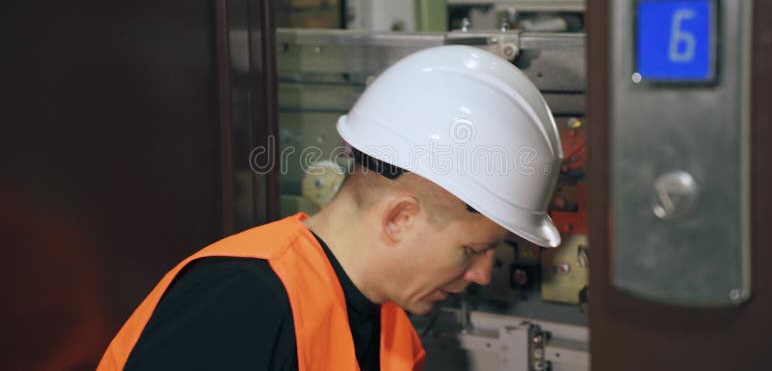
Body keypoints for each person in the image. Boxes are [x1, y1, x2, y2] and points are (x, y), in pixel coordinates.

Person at [98, 45, 563, 371]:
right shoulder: (243, 300)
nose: (482, 275)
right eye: (471, 250)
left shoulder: (386, 321)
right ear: (400, 218)